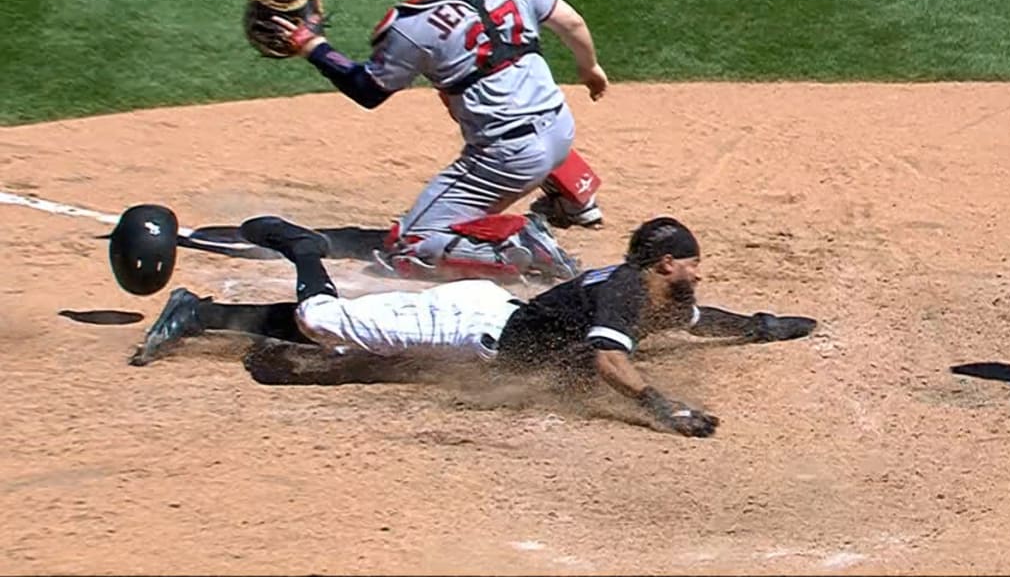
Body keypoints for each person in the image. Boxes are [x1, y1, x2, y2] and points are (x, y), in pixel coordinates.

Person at [127, 216, 817, 438]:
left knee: (332, 339)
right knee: (318, 319)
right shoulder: (623, 296)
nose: (700, 272)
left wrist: (758, 327)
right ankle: (303, 249)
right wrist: (665, 409)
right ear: (667, 263)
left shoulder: (648, 291)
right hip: (463, 325)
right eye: (693, 263)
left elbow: (694, 321)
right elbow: (611, 362)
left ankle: (201, 315)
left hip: (490, 326)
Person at [267, 0, 607, 285]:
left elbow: (368, 90)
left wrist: (312, 46)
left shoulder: (411, 24)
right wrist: (591, 68)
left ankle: (525, 246)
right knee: (486, 86)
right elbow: (572, 23)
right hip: (562, 130)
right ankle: (575, 196)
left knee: (408, 246)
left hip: (508, 159)